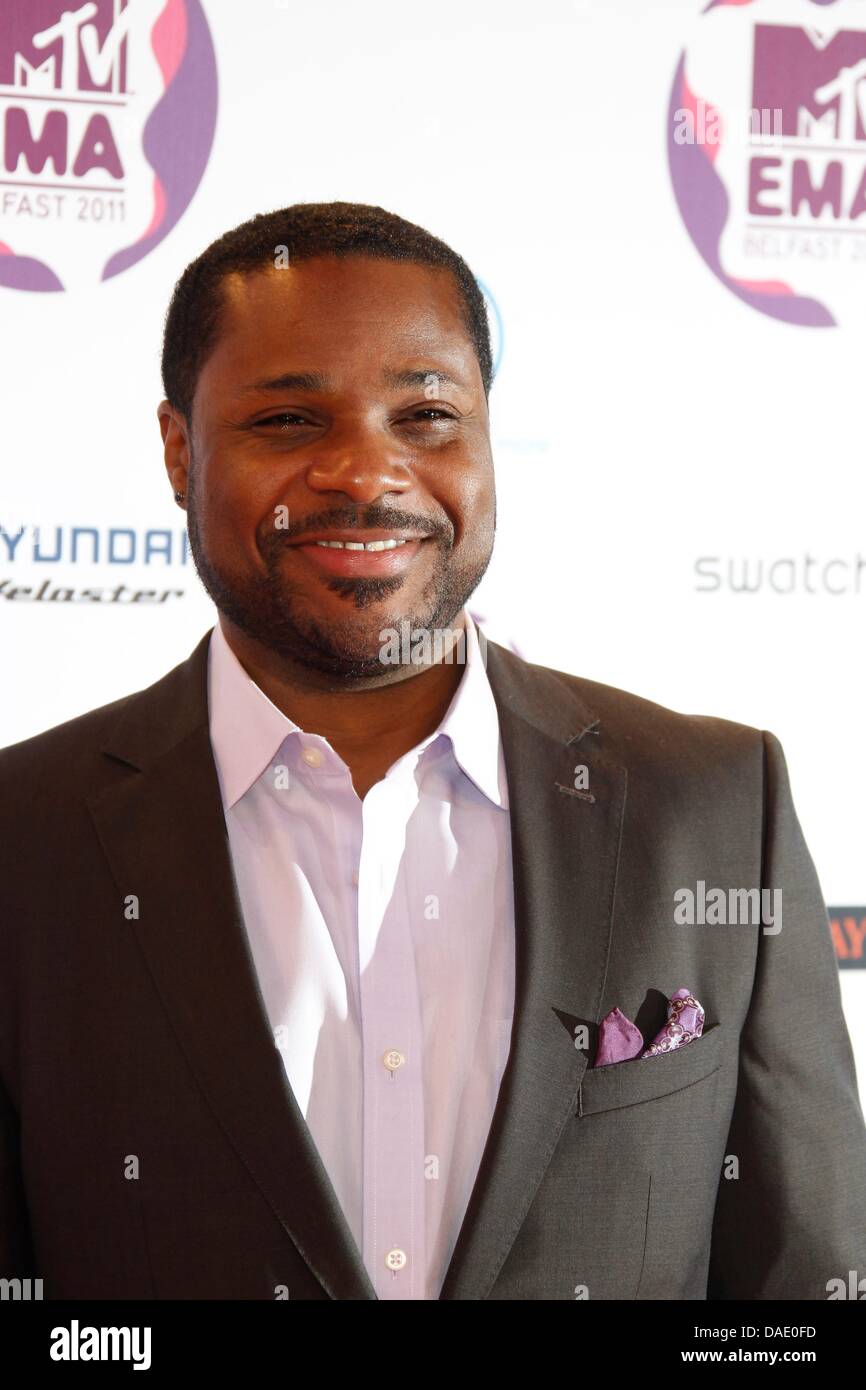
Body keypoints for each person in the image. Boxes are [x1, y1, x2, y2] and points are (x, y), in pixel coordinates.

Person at [1, 202, 864, 1301]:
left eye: (425, 414)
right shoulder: (25, 838)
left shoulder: (711, 806)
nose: (366, 473)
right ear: (179, 451)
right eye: (285, 421)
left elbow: (801, 1286)